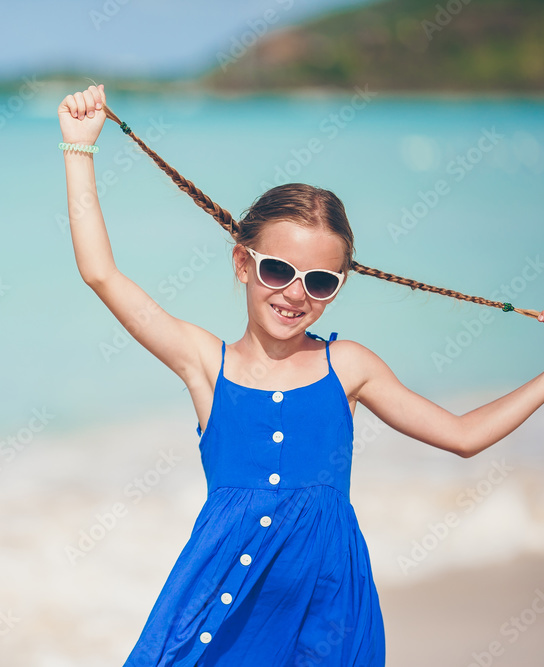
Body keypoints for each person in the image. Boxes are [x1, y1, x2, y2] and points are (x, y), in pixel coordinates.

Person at [57, 83, 544, 666]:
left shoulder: (350, 367)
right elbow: (101, 273)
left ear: (336, 290)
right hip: (223, 607)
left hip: (329, 609)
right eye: (278, 270)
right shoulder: (207, 364)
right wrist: (78, 150)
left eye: (318, 281)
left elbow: (464, 437)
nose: (294, 294)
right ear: (243, 262)